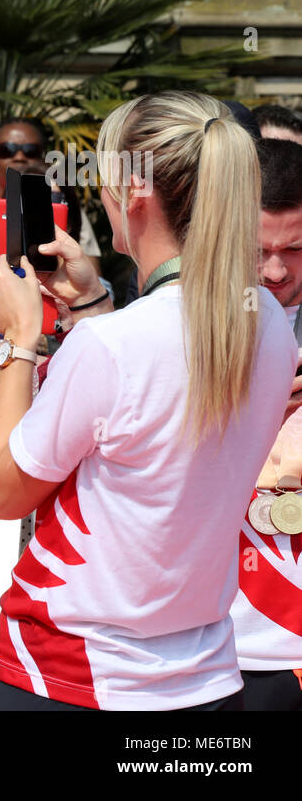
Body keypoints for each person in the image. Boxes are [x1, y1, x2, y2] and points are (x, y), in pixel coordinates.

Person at [0, 91, 296, 710]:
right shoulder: (271, 325)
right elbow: (165, 395)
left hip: (64, 674)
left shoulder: (114, 346)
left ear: (136, 194)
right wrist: (95, 305)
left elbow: (0, 492)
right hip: (202, 681)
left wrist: (19, 343)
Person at [232, 136, 302, 709]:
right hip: (212, 644)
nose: (277, 269)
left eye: (298, 248)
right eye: (260, 249)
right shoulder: (175, 322)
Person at [0, 117, 102, 271]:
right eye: (7, 150)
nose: (19, 157)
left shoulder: (66, 208)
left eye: (31, 151)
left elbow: (93, 278)